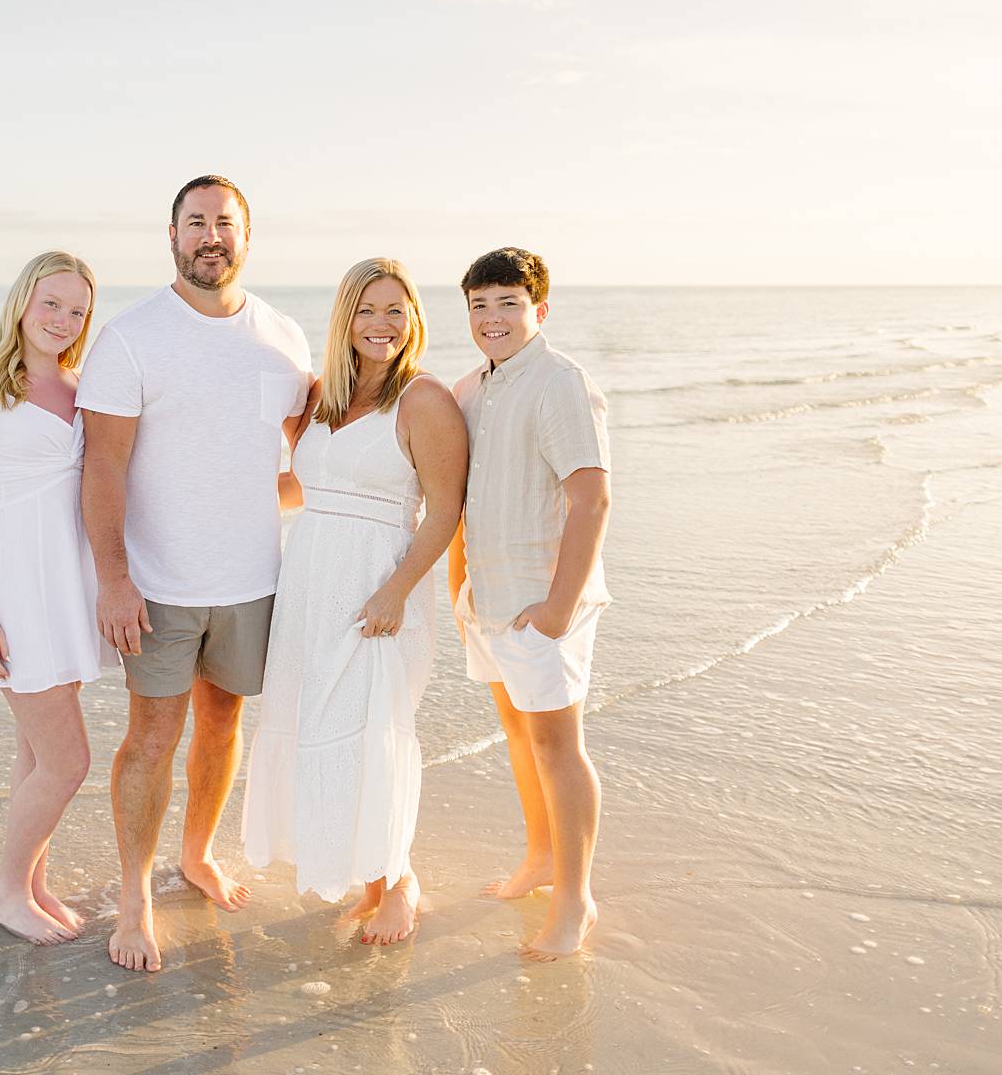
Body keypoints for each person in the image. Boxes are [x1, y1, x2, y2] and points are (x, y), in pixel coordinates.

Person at [77, 175, 313, 973]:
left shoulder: (282, 334)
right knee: (151, 736)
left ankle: (198, 853)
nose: (211, 235)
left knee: (222, 724)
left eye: (225, 222)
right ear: (172, 235)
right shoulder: (133, 337)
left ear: (246, 236)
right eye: (196, 222)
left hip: (253, 576)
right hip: (159, 582)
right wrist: (113, 576)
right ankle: (135, 892)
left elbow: (309, 453)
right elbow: (102, 467)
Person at [242, 258, 467, 945]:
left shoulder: (424, 399)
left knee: (374, 726)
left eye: (396, 310)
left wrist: (395, 592)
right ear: (345, 318)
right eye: (368, 310)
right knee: (317, 720)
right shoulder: (318, 399)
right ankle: (366, 874)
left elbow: (445, 510)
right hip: (310, 583)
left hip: (379, 587)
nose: (382, 324)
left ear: (414, 320)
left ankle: (398, 879)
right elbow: (309, 486)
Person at [447, 247, 612, 962]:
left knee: (557, 744)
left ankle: (576, 899)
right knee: (520, 736)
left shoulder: (559, 382)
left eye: (508, 302)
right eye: (480, 305)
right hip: (489, 598)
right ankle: (541, 858)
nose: (493, 318)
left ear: (538, 309)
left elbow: (591, 497)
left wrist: (556, 608)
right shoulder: (473, 390)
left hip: (542, 604)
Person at [0, 251, 110, 946]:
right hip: (13, 596)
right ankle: (8, 893)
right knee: (69, 760)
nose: (63, 320)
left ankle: (32, 882)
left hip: (66, 592)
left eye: (77, 309)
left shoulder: (84, 387)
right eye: (51, 303)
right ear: (22, 303)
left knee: (38, 754)